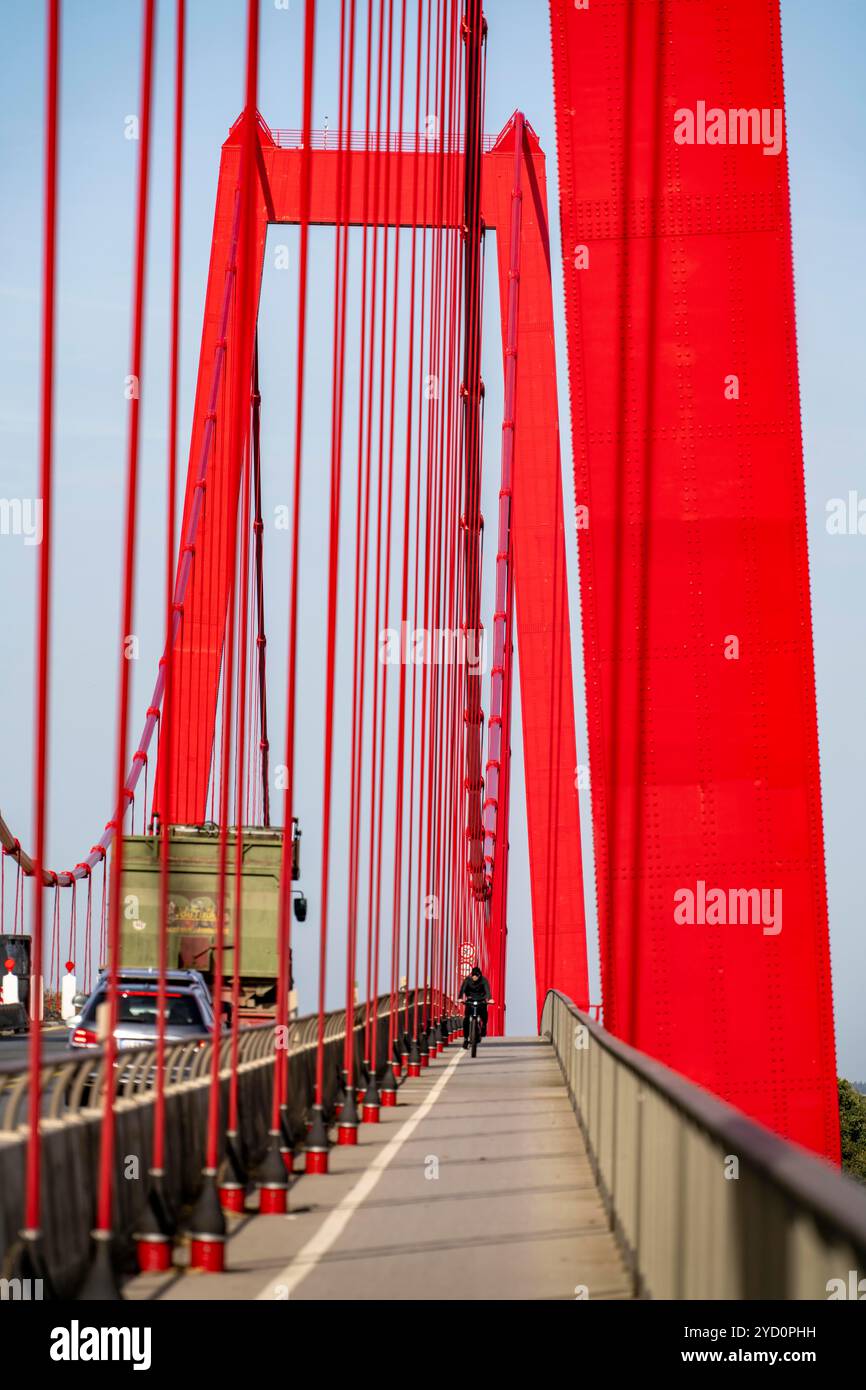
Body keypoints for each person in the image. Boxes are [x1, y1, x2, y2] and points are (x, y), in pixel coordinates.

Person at [458, 964, 491, 1047]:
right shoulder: (467, 980)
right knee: (466, 1019)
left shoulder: (484, 980)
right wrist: (460, 998)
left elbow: (487, 990)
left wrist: (490, 999)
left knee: (484, 1013)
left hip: (481, 1000)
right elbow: (462, 990)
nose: (474, 977)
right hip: (470, 1000)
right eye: (473, 975)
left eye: (476, 975)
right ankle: (466, 1038)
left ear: (479, 975)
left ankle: (483, 1026)